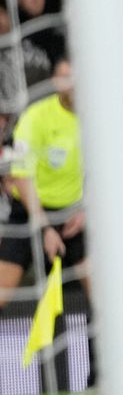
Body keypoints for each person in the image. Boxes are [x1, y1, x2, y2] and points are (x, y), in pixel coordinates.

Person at [0, 61, 88, 301]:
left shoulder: (99, 120)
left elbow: (107, 174)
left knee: (103, 293)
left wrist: (85, 211)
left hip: (76, 213)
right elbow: (20, 174)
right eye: (63, 78)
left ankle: (102, 338)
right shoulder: (36, 116)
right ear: (54, 83)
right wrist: (46, 228)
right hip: (30, 210)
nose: (70, 85)